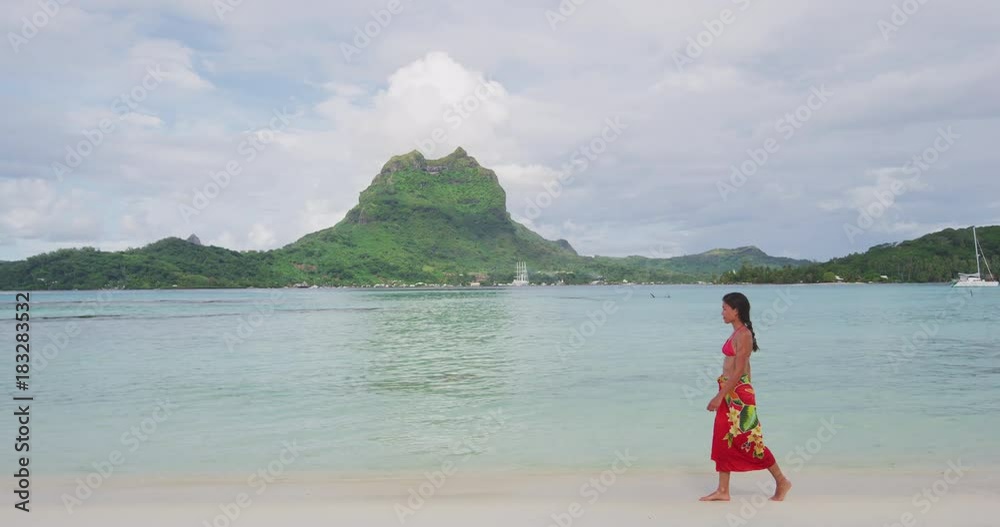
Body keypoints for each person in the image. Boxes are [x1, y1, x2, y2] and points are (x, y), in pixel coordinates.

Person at [699, 292, 792, 502]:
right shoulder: (736, 333)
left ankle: (781, 481)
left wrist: (719, 396)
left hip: (739, 395)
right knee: (723, 439)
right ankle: (723, 490)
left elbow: (739, 371)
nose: (722, 312)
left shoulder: (744, 335)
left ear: (736, 310)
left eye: (725, 308)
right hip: (729, 391)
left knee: (750, 440)